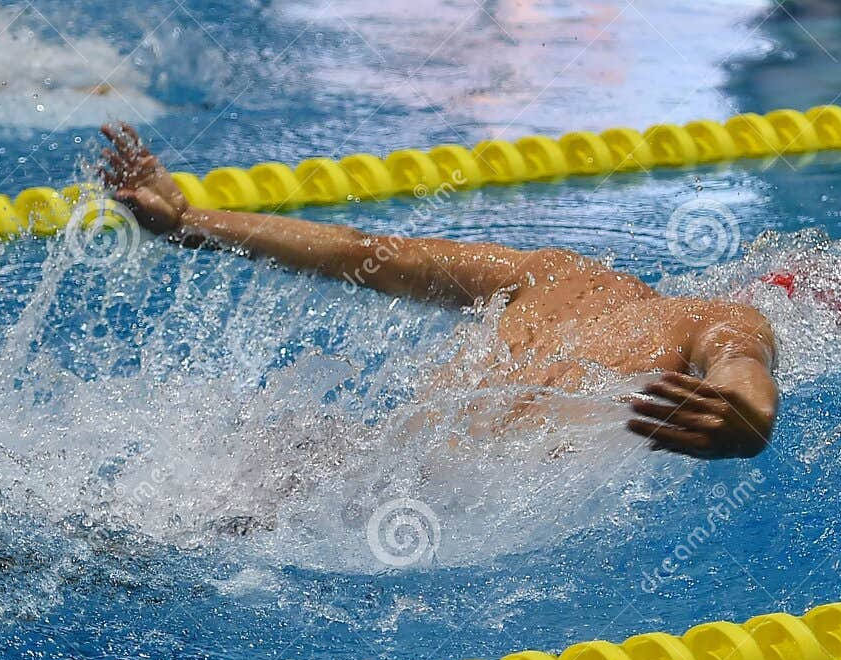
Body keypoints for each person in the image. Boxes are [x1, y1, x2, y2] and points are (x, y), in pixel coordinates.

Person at [99, 122, 779, 459]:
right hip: (462, 504)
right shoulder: (717, 316)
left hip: (379, 459)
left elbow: (362, 254)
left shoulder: (548, 272)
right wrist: (751, 422)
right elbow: (742, 372)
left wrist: (191, 223)